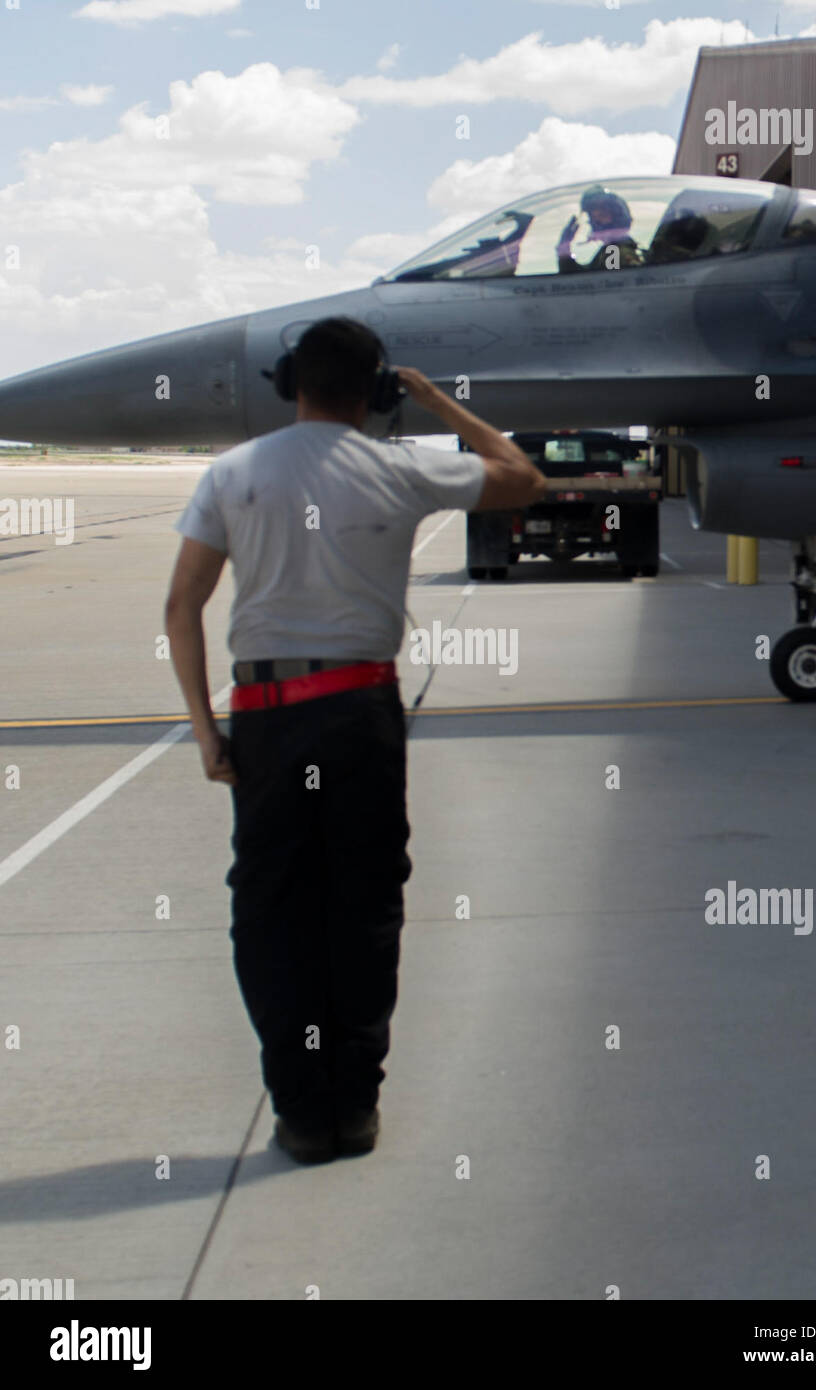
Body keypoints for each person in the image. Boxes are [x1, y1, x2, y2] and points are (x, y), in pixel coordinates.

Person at [164, 317, 546, 1165]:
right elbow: (524, 478)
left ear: (287, 381)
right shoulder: (403, 467)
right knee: (366, 906)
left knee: (271, 912)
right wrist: (438, 400)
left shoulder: (231, 474)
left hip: (267, 712)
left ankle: (304, 1114)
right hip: (362, 715)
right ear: (373, 394)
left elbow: (181, 607)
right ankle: (357, 1107)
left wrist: (206, 730)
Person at [557, 185, 641, 272]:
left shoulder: (614, 252)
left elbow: (597, 282)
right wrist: (564, 251)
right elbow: (586, 276)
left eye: (603, 211)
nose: (596, 218)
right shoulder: (615, 248)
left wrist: (564, 251)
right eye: (593, 214)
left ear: (616, 213)